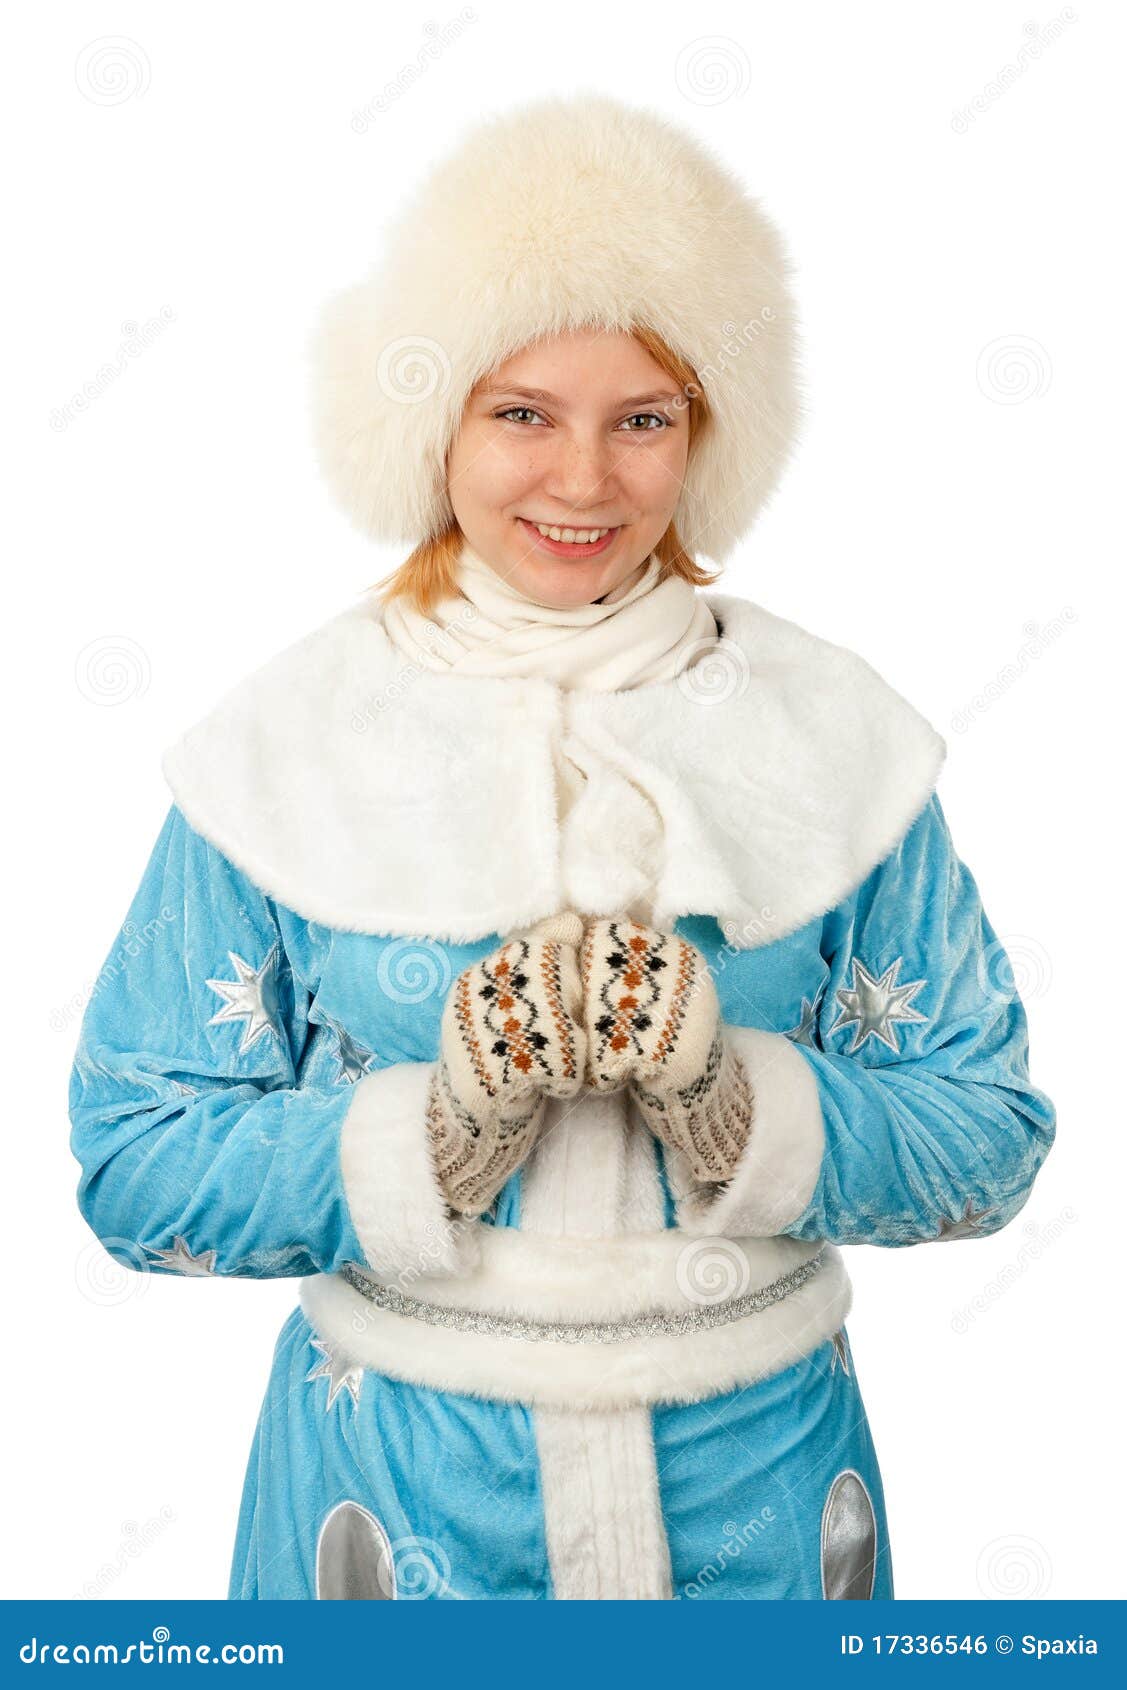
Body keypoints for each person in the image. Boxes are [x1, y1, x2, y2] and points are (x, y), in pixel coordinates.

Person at [68, 91, 1056, 1601]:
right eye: (522, 411)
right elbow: (136, 1161)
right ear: (434, 418)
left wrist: (744, 1109)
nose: (585, 482)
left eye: (642, 418)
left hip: (764, 1497)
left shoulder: (832, 734)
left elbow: (987, 1138)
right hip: (392, 1507)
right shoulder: (287, 740)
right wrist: (432, 1131)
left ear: (706, 433)